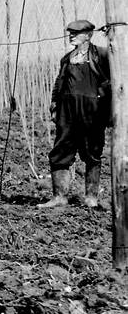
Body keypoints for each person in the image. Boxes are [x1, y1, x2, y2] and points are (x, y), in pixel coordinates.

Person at [39, 18, 112, 209]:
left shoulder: (102, 56)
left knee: (92, 152)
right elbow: (58, 84)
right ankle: (59, 197)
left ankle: (91, 198)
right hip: (67, 114)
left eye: (76, 33)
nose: (71, 35)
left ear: (88, 35)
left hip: (92, 113)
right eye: (70, 32)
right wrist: (55, 105)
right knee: (60, 152)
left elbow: (115, 81)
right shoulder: (67, 58)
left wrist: (106, 105)